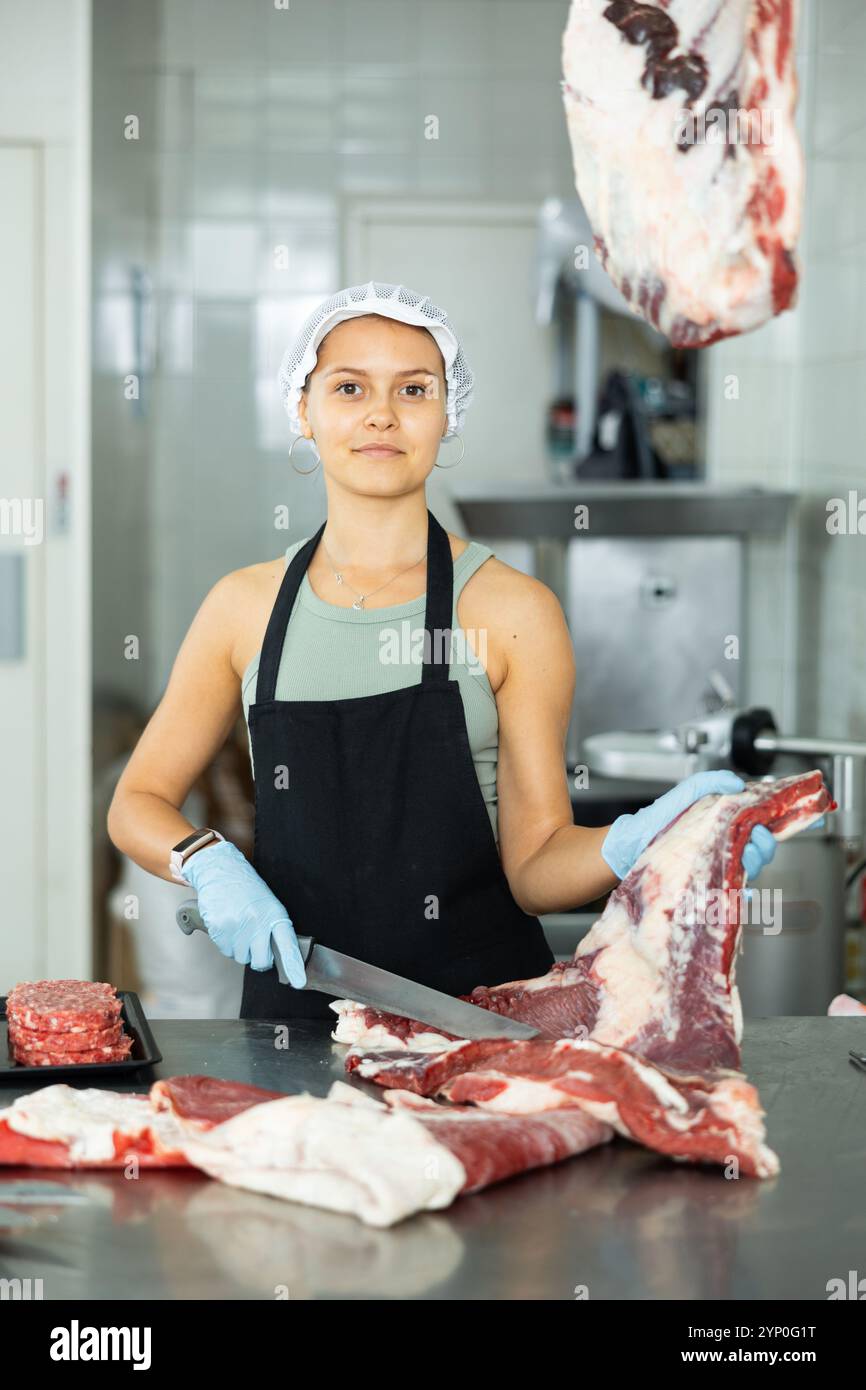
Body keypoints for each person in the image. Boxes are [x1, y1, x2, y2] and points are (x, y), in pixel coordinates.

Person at [107, 280, 782, 1022]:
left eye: (414, 390)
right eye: (349, 386)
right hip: (296, 1029)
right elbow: (137, 803)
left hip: (485, 1030)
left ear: (447, 413)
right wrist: (204, 860)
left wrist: (638, 843)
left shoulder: (514, 610)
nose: (381, 415)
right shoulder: (243, 608)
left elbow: (534, 868)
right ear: (304, 409)